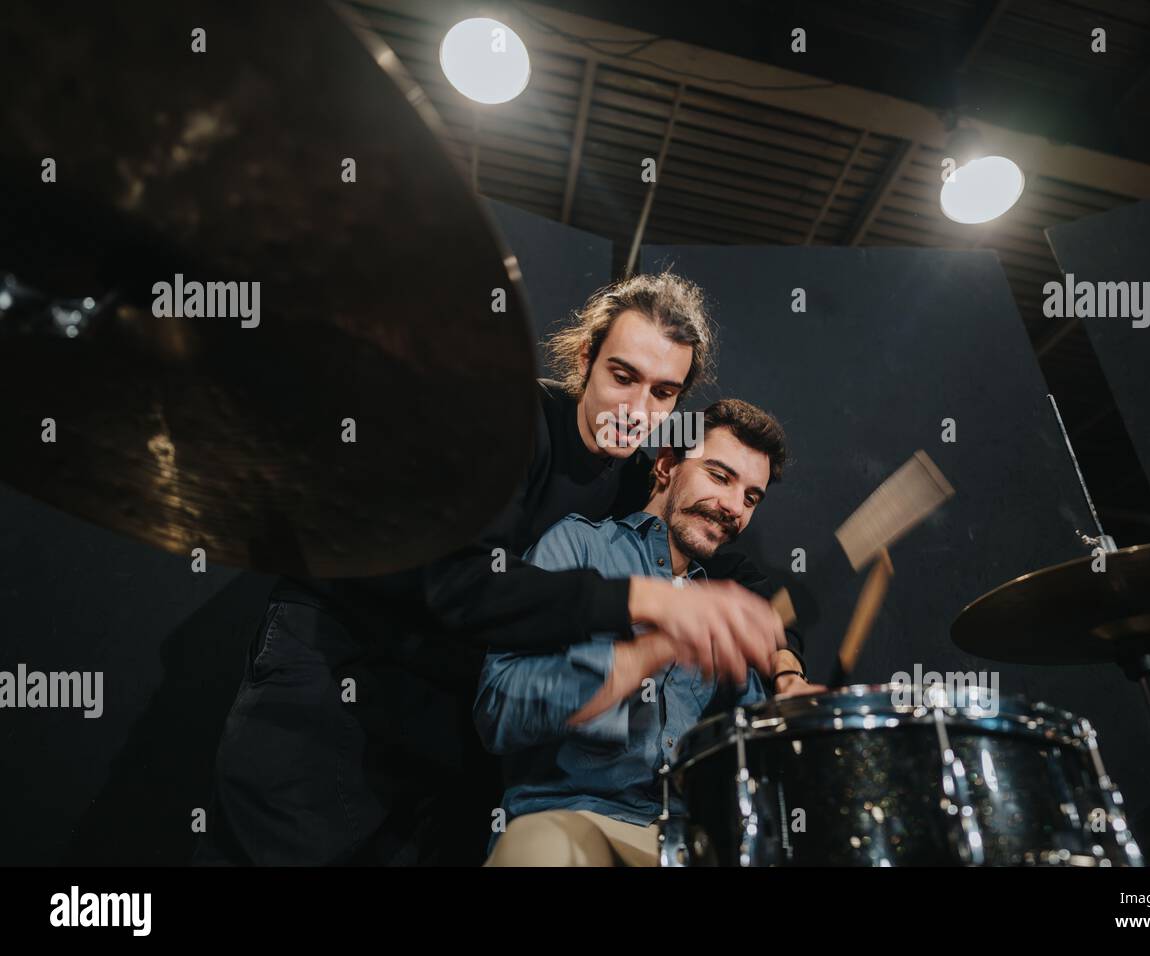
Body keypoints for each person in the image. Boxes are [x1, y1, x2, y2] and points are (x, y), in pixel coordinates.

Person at [196, 274, 800, 865]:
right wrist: (651, 603)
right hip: (334, 665)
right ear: (587, 356)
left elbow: (725, 558)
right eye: (623, 376)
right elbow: (461, 584)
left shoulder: (635, 477)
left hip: (445, 724)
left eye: (664, 393)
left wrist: (785, 666)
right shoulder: (508, 421)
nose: (638, 409)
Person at [476, 399, 819, 867]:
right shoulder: (579, 546)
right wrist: (638, 659)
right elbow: (498, 708)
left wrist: (790, 716)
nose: (733, 507)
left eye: (751, 497)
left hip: (688, 842)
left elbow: (753, 758)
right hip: (573, 819)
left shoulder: (730, 600)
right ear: (667, 465)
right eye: (719, 476)